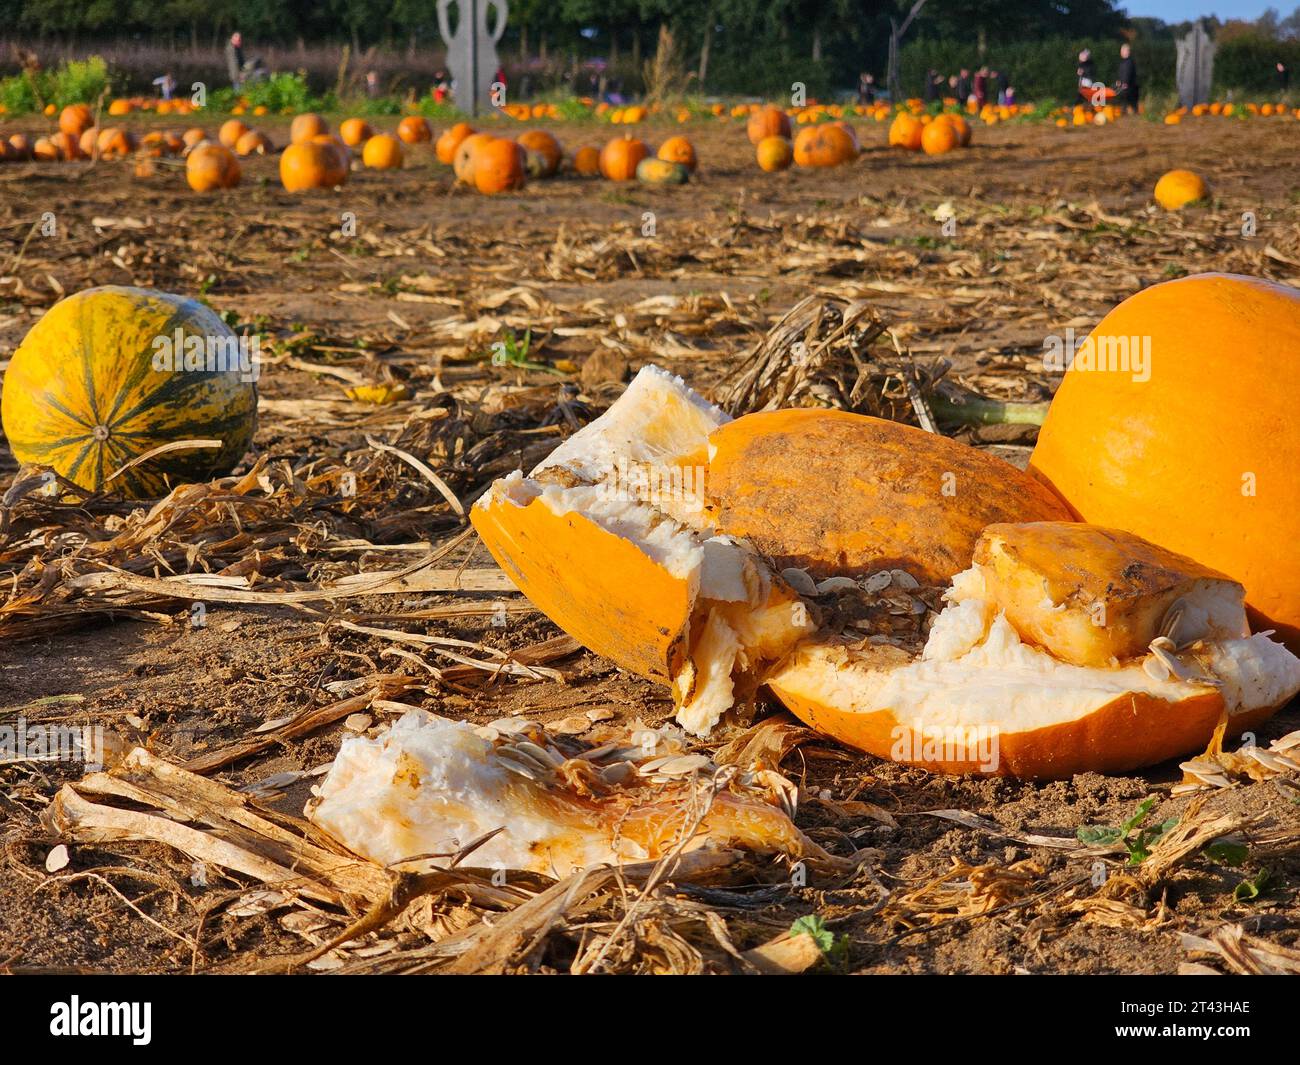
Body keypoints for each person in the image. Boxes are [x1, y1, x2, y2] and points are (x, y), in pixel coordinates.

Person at [1116, 43, 1139, 110]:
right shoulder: (1123, 62)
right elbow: (1121, 73)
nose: (1121, 52)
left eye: (1123, 51)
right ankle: (1126, 110)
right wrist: (1119, 80)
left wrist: (1125, 83)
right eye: (1121, 51)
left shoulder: (1129, 62)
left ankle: (1127, 111)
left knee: (1127, 99)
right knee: (1125, 100)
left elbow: (1128, 74)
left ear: (1128, 52)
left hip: (1129, 86)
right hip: (1125, 84)